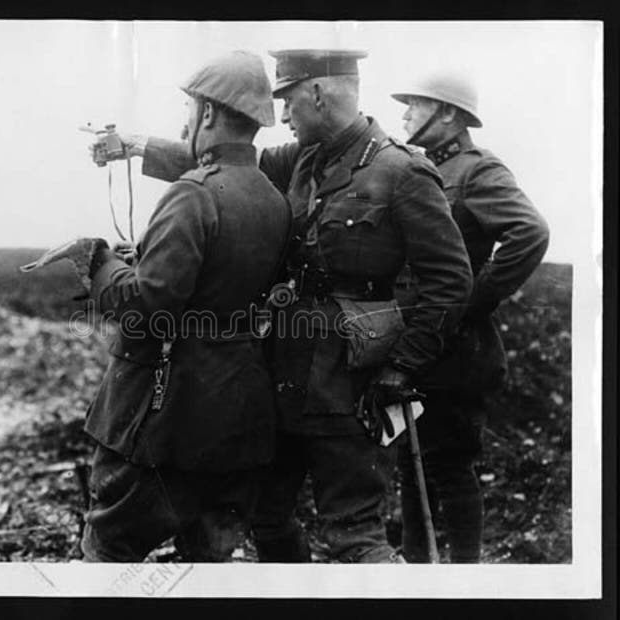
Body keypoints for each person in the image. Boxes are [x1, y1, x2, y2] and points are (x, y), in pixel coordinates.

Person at [119, 49, 474, 563]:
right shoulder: (304, 158)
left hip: (352, 387)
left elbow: (450, 281)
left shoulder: (401, 171)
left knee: (354, 533)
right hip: (282, 374)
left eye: (286, 101)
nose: (280, 115)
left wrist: (402, 366)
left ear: (317, 93)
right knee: (267, 516)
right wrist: (133, 146)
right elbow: (224, 161)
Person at [30, 50, 291, 562]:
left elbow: (145, 307)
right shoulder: (273, 199)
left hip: (164, 419)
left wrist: (96, 258)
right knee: (209, 562)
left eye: (191, 110)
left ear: (210, 114)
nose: (187, 121)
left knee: (110, 549)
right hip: (237, 419)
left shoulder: (192, 195)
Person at [391, 70, 550, 562]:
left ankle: (467, 582)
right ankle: (420, 578)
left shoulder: (478, 170)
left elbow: (530, 232)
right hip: (416, 343)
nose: (405, 113)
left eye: (416, 104)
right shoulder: (417, 168)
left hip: (457, 352)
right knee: (411, 468)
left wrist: (468, 302)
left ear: (449, 114)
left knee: (450, 469)